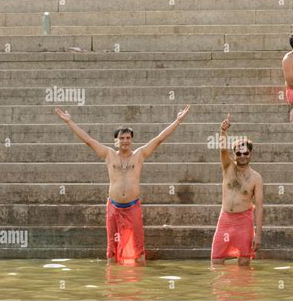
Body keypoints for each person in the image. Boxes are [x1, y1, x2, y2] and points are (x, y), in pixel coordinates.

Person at [55, 105, 191, 266]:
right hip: (114, 207)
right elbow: (88, 140)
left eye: (128, 138)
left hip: (133, 207)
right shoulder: (108, 154)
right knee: (112, 248)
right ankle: (113, 281)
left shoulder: (139, 155)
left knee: (138, 247)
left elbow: (159, 139)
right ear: (116, 141)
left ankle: (138, 280)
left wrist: (178, 121)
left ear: (131, 140)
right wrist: (70, 122)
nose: (125, 141)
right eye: (122, 138)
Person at [211, 114, 263, 267]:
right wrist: (223, 132)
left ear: (250, 154)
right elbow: (222, 150)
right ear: (234, 155)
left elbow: (259, 207)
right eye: (238, 154)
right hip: (225, 219)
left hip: (244, 221)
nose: (242, 156)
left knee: (244, 261)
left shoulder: (256, 178)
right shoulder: (228, 167)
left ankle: (242, 291)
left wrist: (258, 235)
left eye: (245, 153)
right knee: (216, 260)